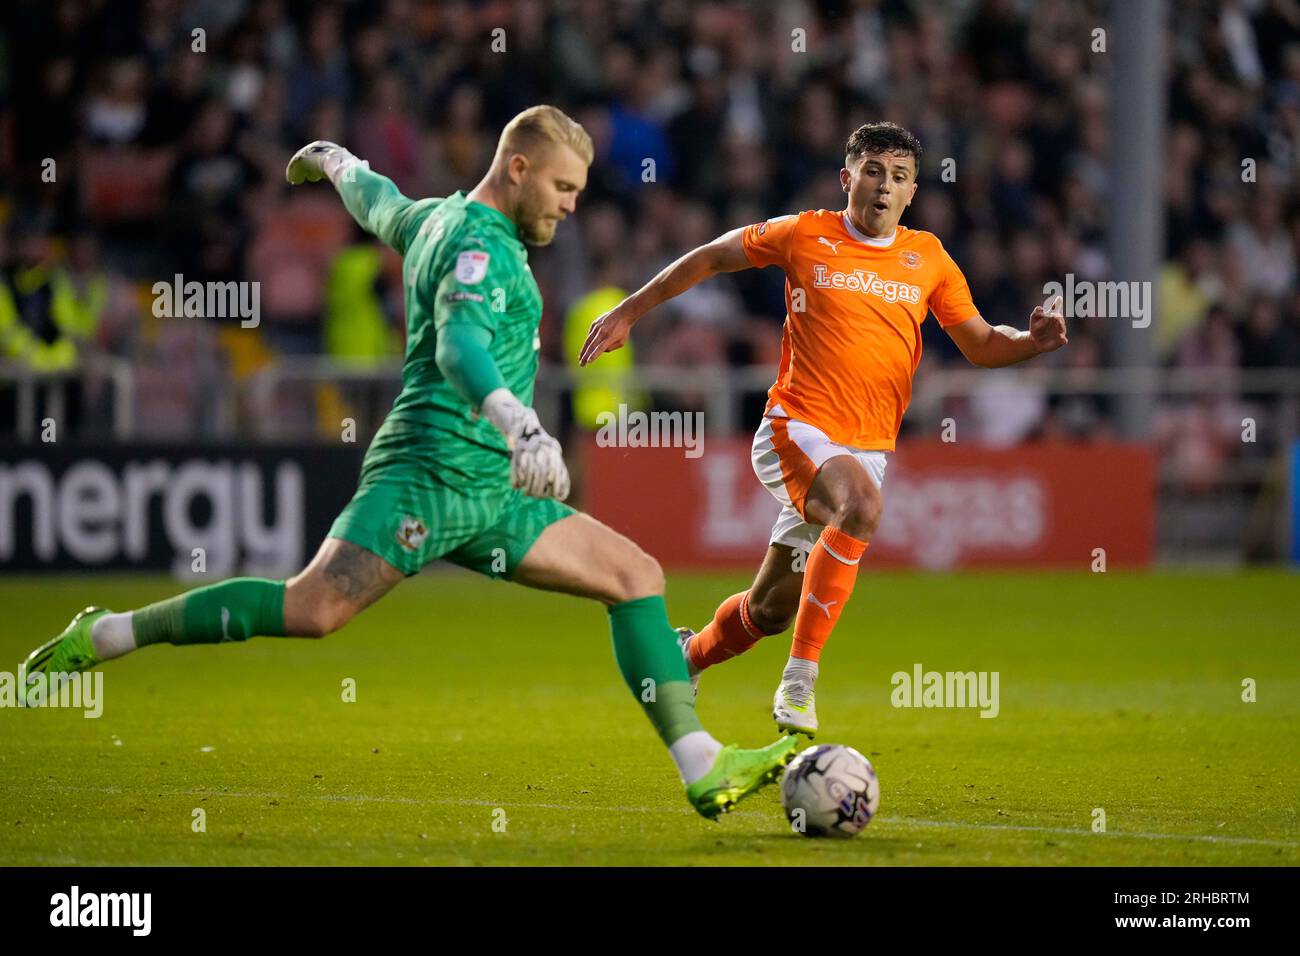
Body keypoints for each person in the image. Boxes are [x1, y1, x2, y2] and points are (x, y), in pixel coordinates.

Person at [20, 105, 797, 819]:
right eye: (562, 186)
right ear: (518, 170)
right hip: (427, 470)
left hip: (491, 489)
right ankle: (110, 632)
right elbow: (460, 346)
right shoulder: (477, 247)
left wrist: (334, 163)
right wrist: (521, 424)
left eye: (579, 190)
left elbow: (380, 203)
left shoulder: (436, 218)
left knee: (636, 577)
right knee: (311, 610)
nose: (570, 204)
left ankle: (702, 766)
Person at [580, 122, 1068, 737]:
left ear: (912, 191)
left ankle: (685, 658)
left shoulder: (929, 259)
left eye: (897, 177)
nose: (883, 186)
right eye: (872, 171)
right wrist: (629, 310)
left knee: (770, 609)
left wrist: (1031, 343)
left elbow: (979, 344)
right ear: (848, 179)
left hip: (868, 447)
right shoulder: (805, 234)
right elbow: (710, 255)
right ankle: (801, 682)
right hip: (797, 426)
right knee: (862, 506)